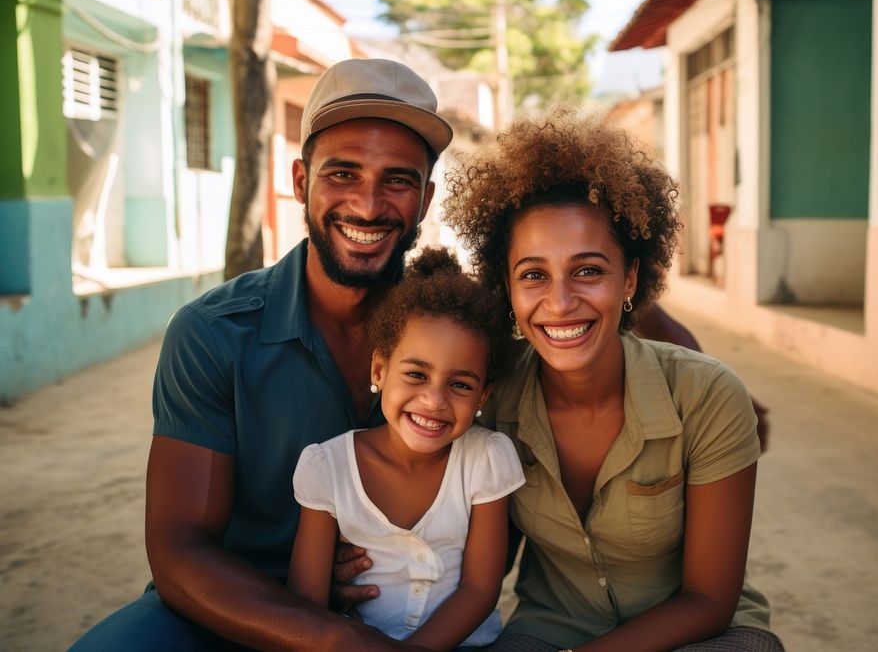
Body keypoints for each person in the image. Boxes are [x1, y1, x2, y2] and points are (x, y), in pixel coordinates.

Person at [71, 57, 763, 650]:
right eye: (342, 173)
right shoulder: (214, 333)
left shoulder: (458, 326)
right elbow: (179, 551)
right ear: (299, 178)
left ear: (427, 197)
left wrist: (694, 376)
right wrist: (334, 635)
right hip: (238, 605)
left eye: (397, 179)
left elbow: (575, 301)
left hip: (415, 612)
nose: (369, 203)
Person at [440, 107, 784, 651]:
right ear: (505, 288)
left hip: (696, 630)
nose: (559, 302)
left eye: (588, 270)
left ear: (631, 278)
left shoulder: (709, 395)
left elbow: (710, 599)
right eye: (533, 274)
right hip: (551, 629)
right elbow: (476, 553)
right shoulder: (493, 396)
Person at [287, 248, 524, 650]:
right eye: (416, 374)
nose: (434, 400)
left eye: (461, 384)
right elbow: (306, 602)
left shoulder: (487, 459)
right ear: (379, 369)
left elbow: (480, 589)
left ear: (484, 394)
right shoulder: (327, 467)